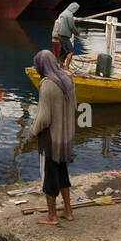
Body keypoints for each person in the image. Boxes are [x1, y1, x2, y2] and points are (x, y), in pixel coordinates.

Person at [28, 49, 76, 226]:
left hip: (50, 139)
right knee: (63, 172)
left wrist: (31, 133)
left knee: (49, 176)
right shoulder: (67, 79)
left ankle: (52, 216)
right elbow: (75, 107)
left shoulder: (47, 84)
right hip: (66, 136)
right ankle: (68, 211)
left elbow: (43, 117)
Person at [51, 2, 81, 68]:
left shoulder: (63, 13)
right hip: (65, 36)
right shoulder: (70, 15)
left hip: (60, 35)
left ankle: (61, 66)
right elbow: (71, 26)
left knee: (64, 51)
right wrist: (76, 32)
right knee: (71, 51)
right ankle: (66, 67)